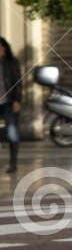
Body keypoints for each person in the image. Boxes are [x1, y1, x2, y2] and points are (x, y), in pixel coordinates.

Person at [1, 36, 21, 174]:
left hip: (8, 102)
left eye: (2, 47)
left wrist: (17, 100)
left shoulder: (12, 63)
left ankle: (13, 163)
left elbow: (18, 84)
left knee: (12, 132)